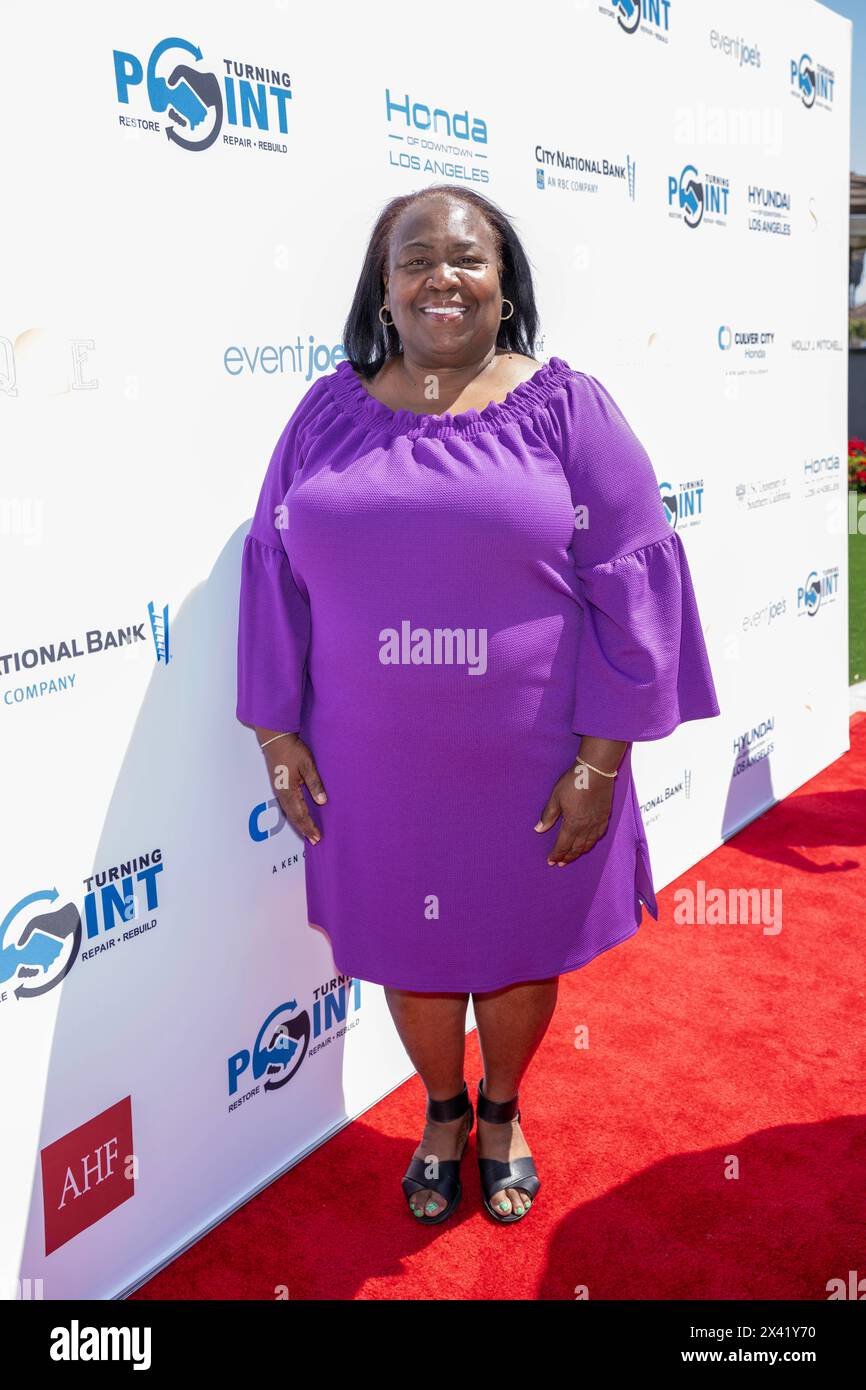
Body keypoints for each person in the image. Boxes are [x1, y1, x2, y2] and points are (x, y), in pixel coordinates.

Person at [236, 182, 720, 1227]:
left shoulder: (566, 409)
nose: (438, 277)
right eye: (413, 259)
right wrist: (278, 734)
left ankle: (499, 1109)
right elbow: (273, 567)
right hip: (371, 766)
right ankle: (442, 1109)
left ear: (504, 289)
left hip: (533, 766)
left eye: (466, 258)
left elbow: (633, 580)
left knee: (510, 946)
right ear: (382, 287)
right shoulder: (323, 414)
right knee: (407, 952)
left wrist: (601, 762)